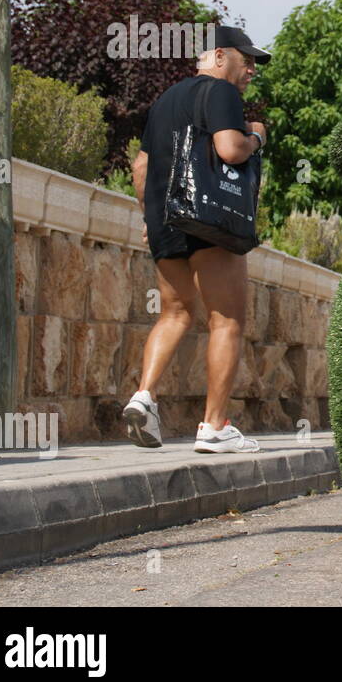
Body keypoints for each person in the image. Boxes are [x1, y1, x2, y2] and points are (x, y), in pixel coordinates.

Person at [123, 26, 271, 453]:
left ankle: (144, 396)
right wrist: (256, 135)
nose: (251, 72)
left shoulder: (166, 100)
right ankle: (214, 426)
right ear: (221, 56)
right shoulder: (221, 92)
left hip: (166, 221)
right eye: (248, 62)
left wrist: (150, 217)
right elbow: (230, 150)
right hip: (210, 220)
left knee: (174, 314)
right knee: (226, 320)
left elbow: (141, 166)